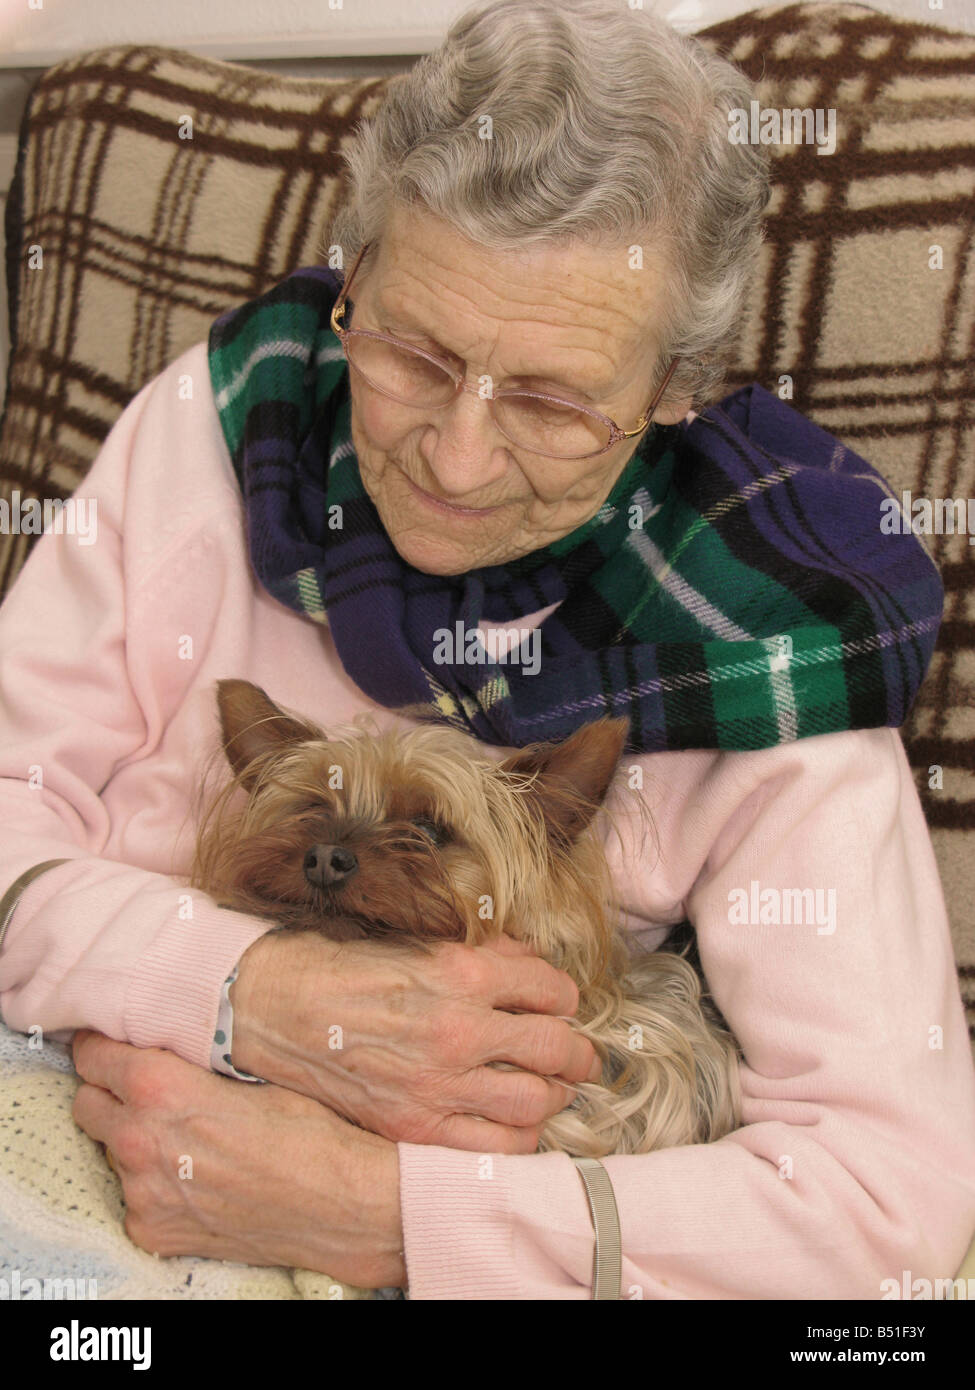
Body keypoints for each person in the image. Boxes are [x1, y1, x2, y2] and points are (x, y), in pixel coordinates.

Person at [1, 0, 973, 1300]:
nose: (455, 460)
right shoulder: (222, 421)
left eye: (556, 399)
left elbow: (885, 1192)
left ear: (678, 389)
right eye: (411, 348)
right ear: (355, 273)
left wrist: (390, 1213)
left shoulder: (770, 622)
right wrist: (247, 988)